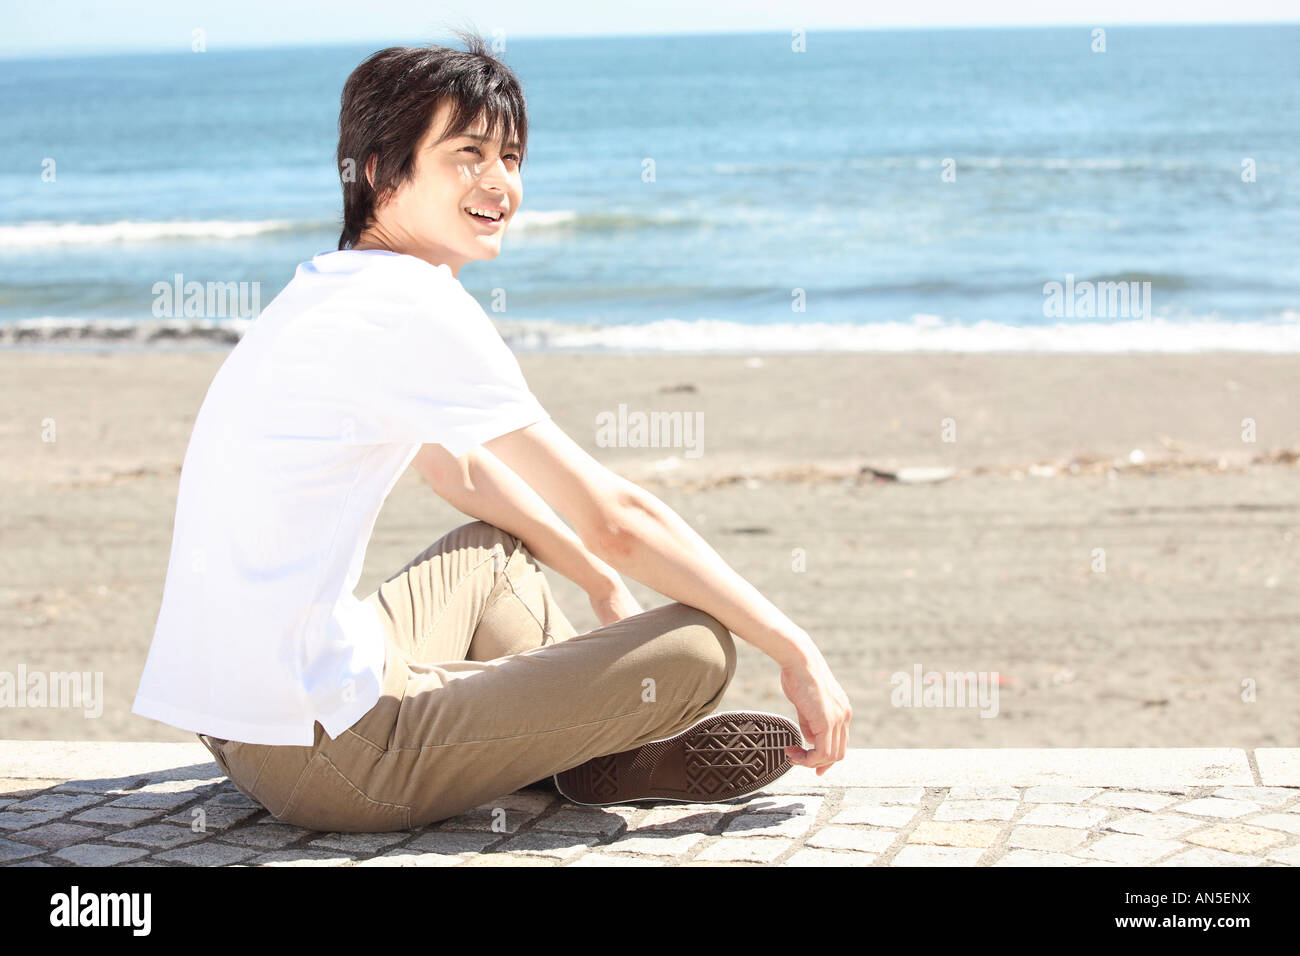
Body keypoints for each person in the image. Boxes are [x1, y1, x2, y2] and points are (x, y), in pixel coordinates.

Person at [131, 32, 851, 833]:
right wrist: (796, 650)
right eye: (467, 153)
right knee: (698, 648)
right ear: (378, 170)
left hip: (245, 724)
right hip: (332, 764)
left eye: (511, 157)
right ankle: (577, 755)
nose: (498, 182)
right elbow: (616, 518)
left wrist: (596, 580)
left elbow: (461, 471)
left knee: (494, 550)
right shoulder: (414, 303)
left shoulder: (330, 288)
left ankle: (562, 748)